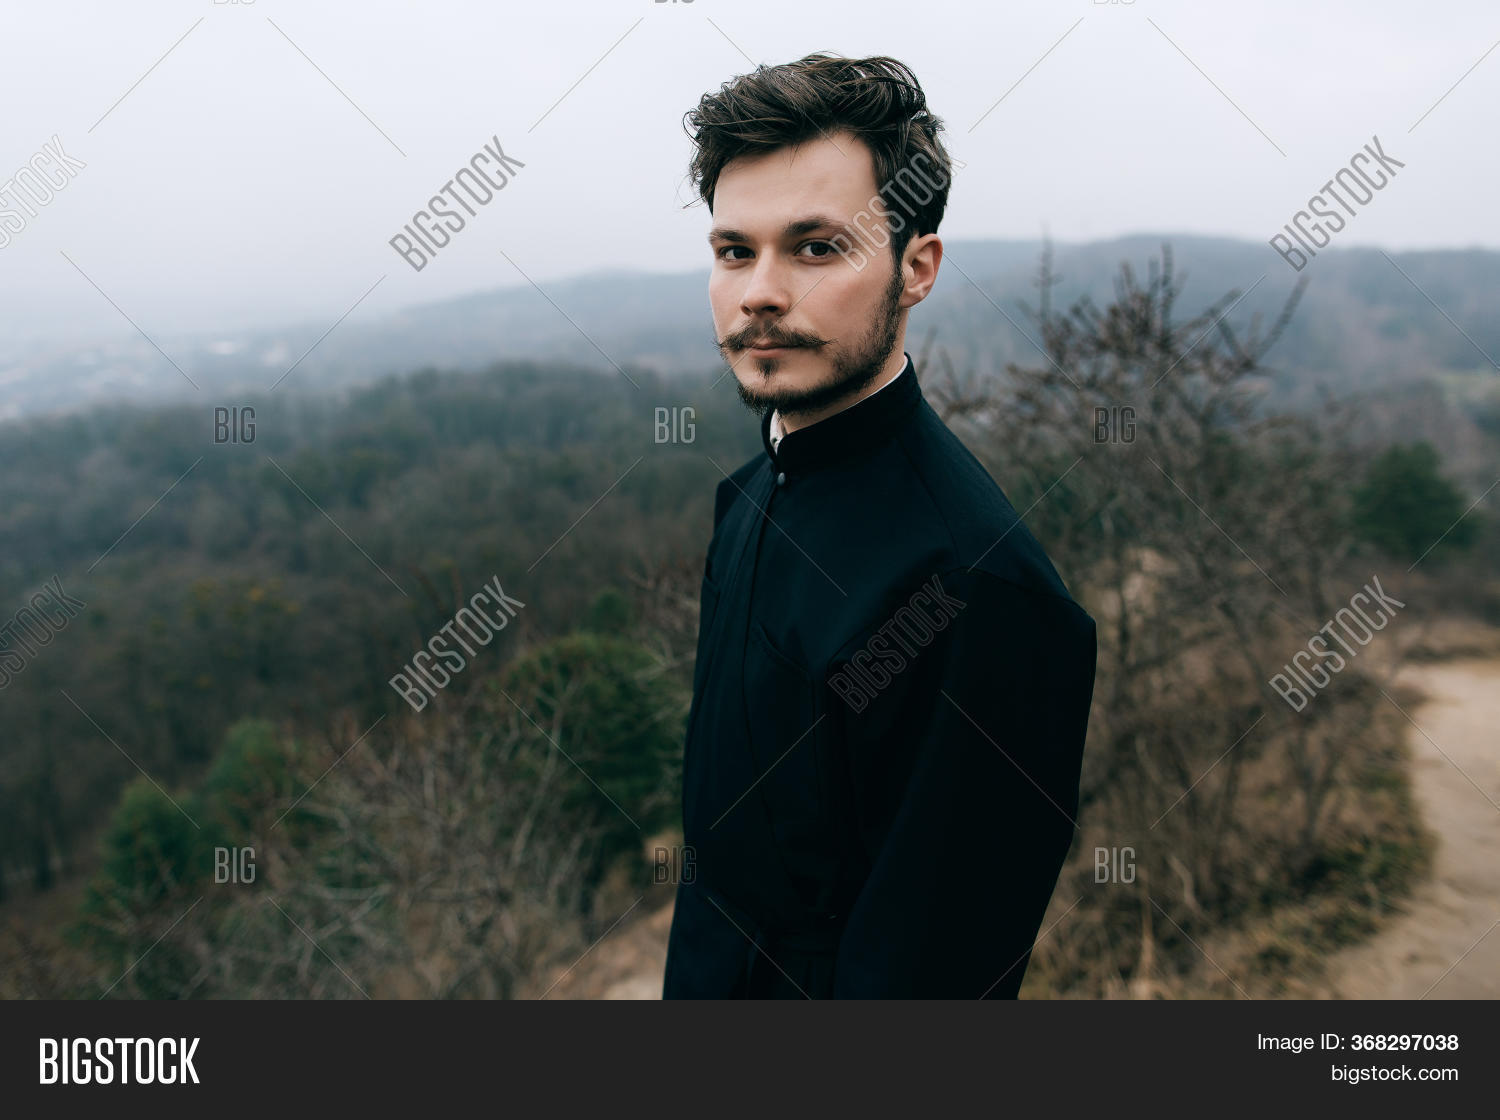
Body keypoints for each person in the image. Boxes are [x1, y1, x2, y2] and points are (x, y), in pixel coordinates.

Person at [662, 53, 1097, 998]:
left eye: (816, 248)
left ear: (917, 267)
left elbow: (936, 979)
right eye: (735, 251)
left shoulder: (981, 587)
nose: (760, 292)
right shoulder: (744, 499)